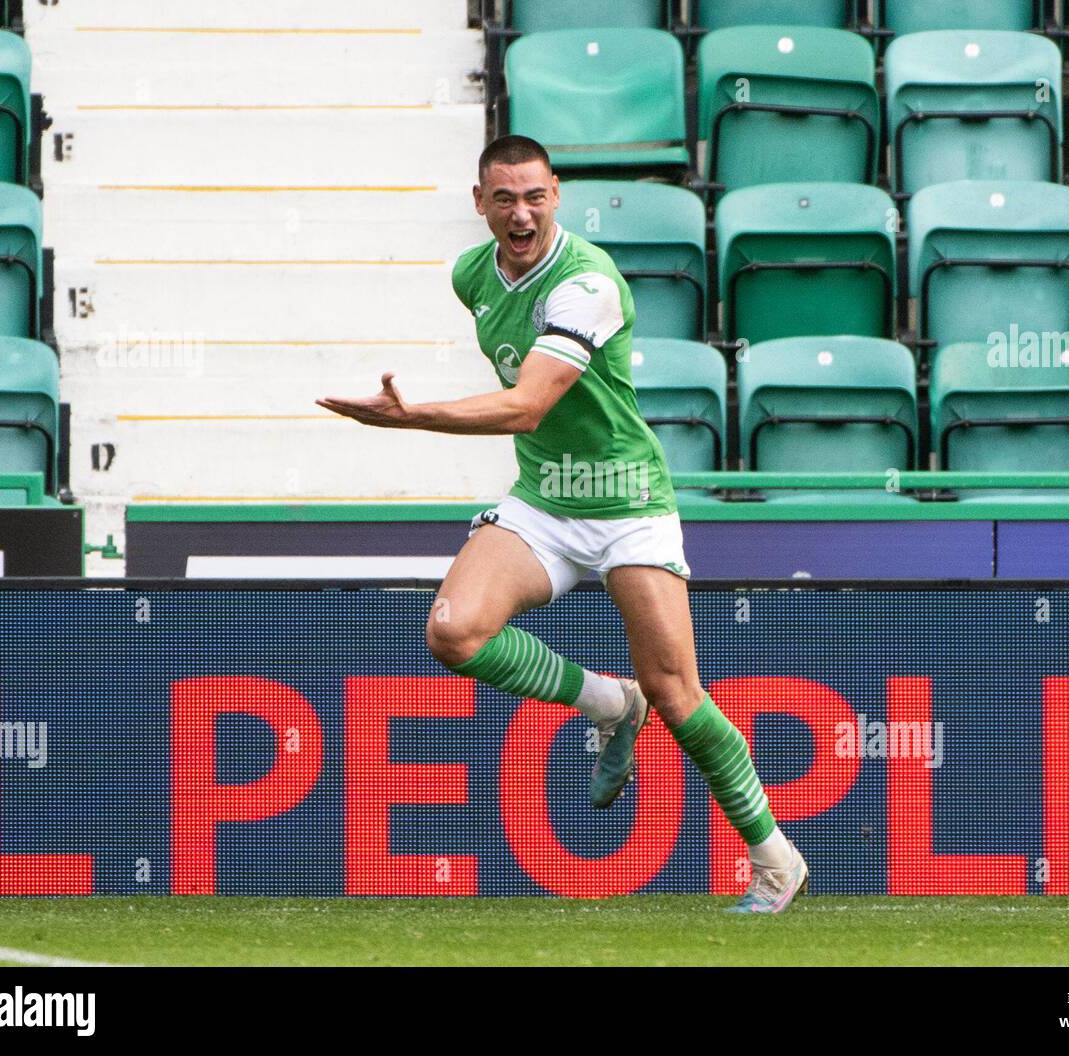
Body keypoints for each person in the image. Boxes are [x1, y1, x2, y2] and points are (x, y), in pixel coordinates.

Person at [316, 135, 806, 912]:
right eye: (504, 198)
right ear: (479, 203)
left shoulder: (587, 283)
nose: (522, 213)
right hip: (544, 500)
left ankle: (775, 858)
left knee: (676, 693)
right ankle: (609, 703)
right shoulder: (472, 275)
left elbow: (528, 405)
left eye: (535, 196)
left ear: (557, 196)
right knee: (453, 631)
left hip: (626, 502)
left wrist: (411, 417)